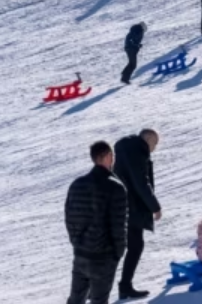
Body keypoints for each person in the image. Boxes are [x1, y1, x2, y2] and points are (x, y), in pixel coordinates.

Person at [65, 141, 128, 304]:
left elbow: (69, 218)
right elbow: (118, 226)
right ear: (108, 156)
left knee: (75, 299)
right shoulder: (115, 187)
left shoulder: (77, 185)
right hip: (103, 256)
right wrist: (118, 253)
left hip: (81, 253)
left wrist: (77, 244)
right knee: (100, 300)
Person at [113, 130, 162, 300]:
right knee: (135, 246)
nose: (154, 148)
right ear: (147, 139)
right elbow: (141, 182)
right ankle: (124, 286)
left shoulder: (123, 150)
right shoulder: (138, 152)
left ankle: (95, 286)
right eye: (154, 143)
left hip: (118, 205)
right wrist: (154, 206)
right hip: (132, 207)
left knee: (118, 246)